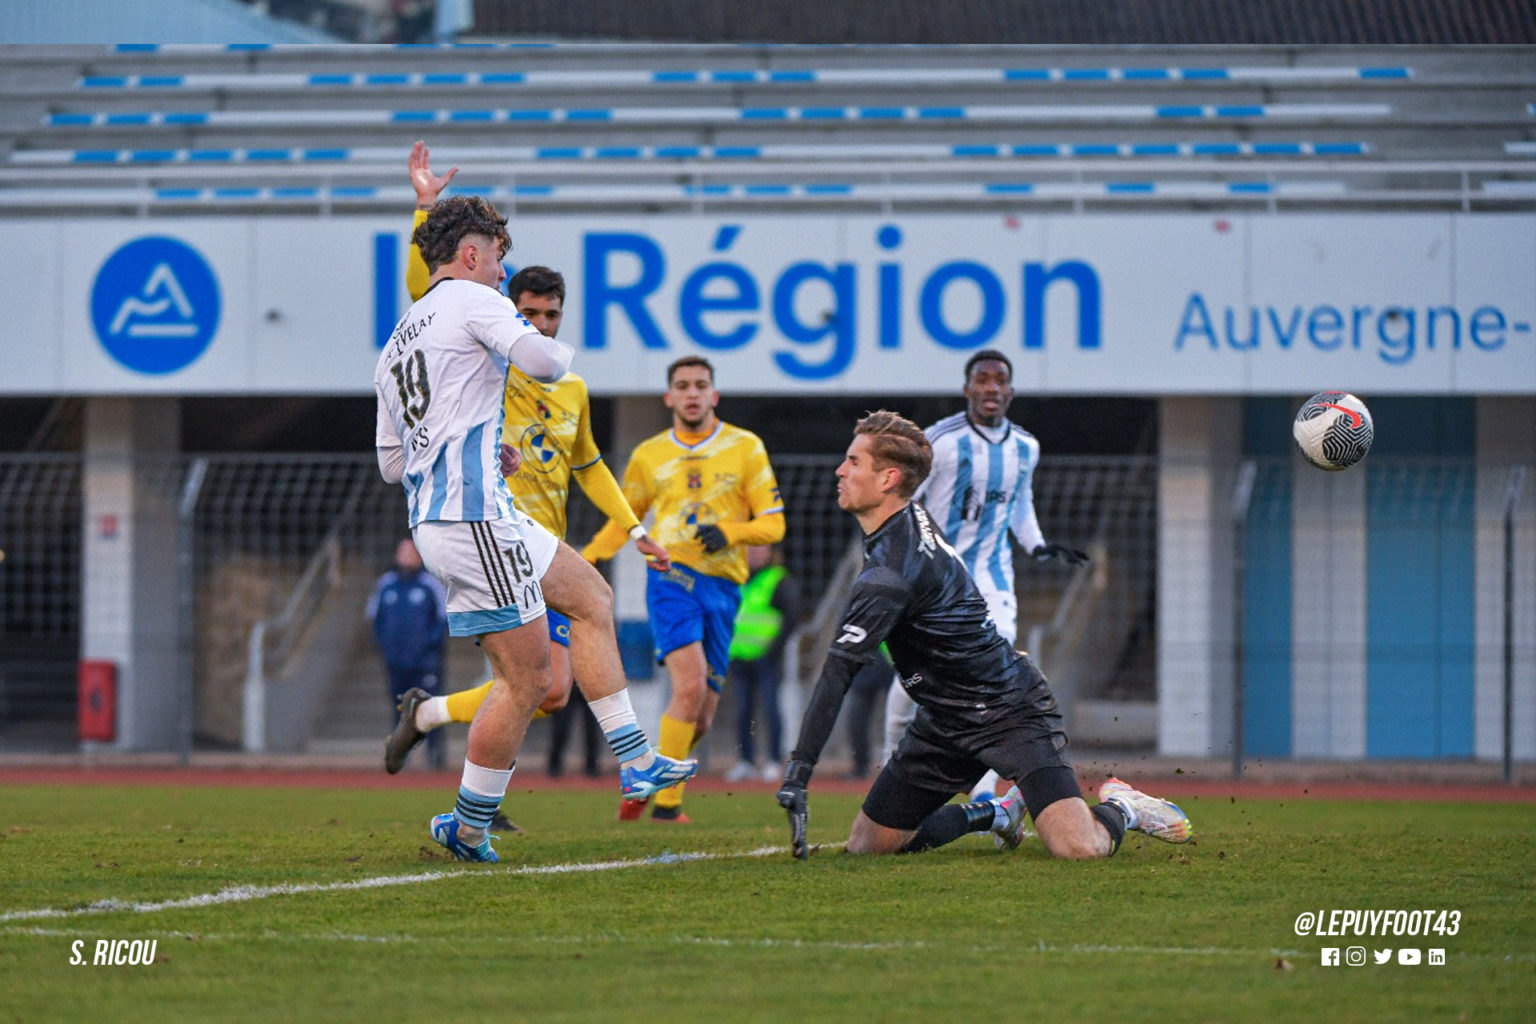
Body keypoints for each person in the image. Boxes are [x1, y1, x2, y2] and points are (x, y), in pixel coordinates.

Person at [374, 190, 694, 862]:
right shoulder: (474, 299)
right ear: (470, 253)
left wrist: (481, 447)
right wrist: (552, 344)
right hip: (474, 516)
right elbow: (545, 363)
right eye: (496, 259)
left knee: (590, 596)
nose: (501, 275)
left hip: (474, 509)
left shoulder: (396, 342)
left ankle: (636, 764)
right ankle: (466, 824)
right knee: (529, 683)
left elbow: (392, 462)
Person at [774, 410, 1190, 860]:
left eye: (853, 461)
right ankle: (994, 814)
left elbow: (838, 674)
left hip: (1008, 708)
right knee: (867, 846)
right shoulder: (906, 523)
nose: (840, 470)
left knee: (1079, 849)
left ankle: (1122, 807)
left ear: (888, 478)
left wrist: (798, 773)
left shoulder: (890, 572)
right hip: (943, 720)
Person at [585, 355, 785, 822]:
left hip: (724, 589)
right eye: (683, 385)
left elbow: (774, 525)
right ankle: (667, 809)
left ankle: (643, 776)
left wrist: (732, 532)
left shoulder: (745, 447)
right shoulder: (649, 455)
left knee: (702, 717)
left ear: (713, 395)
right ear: (668, 397)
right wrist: (592, 556)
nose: (692, 393)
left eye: (700, 385)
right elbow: (625, 519)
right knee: (689, 684)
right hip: (671, 577)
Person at [882, 349, 1087, 805]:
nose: (991, 387)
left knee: (993, 670)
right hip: (934, 583)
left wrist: (1038, 545)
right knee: (910, 683)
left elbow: (1019, 504)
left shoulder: (1026, 447)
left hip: (993, 581)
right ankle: (888, 770)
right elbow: (902, 500)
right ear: (967, 389)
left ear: (1010, 392)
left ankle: (983, 789)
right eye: (983, 379)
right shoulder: (939, 441)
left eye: (999, 380)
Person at [366, 537, 448, 769]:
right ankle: (401, 755)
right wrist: (385, 646)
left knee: (430, 707)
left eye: (411, 551)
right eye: (403, 551)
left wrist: (427, 646)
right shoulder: (386, 584)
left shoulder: (429, 585)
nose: (406, 556)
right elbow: (375, 618)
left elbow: (442, 619)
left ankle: (435, 755)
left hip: (425, 662)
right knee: (399, 708)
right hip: (395, 660)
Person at [723, 544, 800, 783]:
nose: (753, 553)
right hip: (741, 656)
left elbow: (791, 617)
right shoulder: (739, 577)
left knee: (770, 708)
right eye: (750, 549)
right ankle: (746, 761)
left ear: (770, 552)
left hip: (767, 658)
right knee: (743, 710)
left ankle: (774, 760)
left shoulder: (778, 580)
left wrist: (774, 649)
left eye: (759, 549)